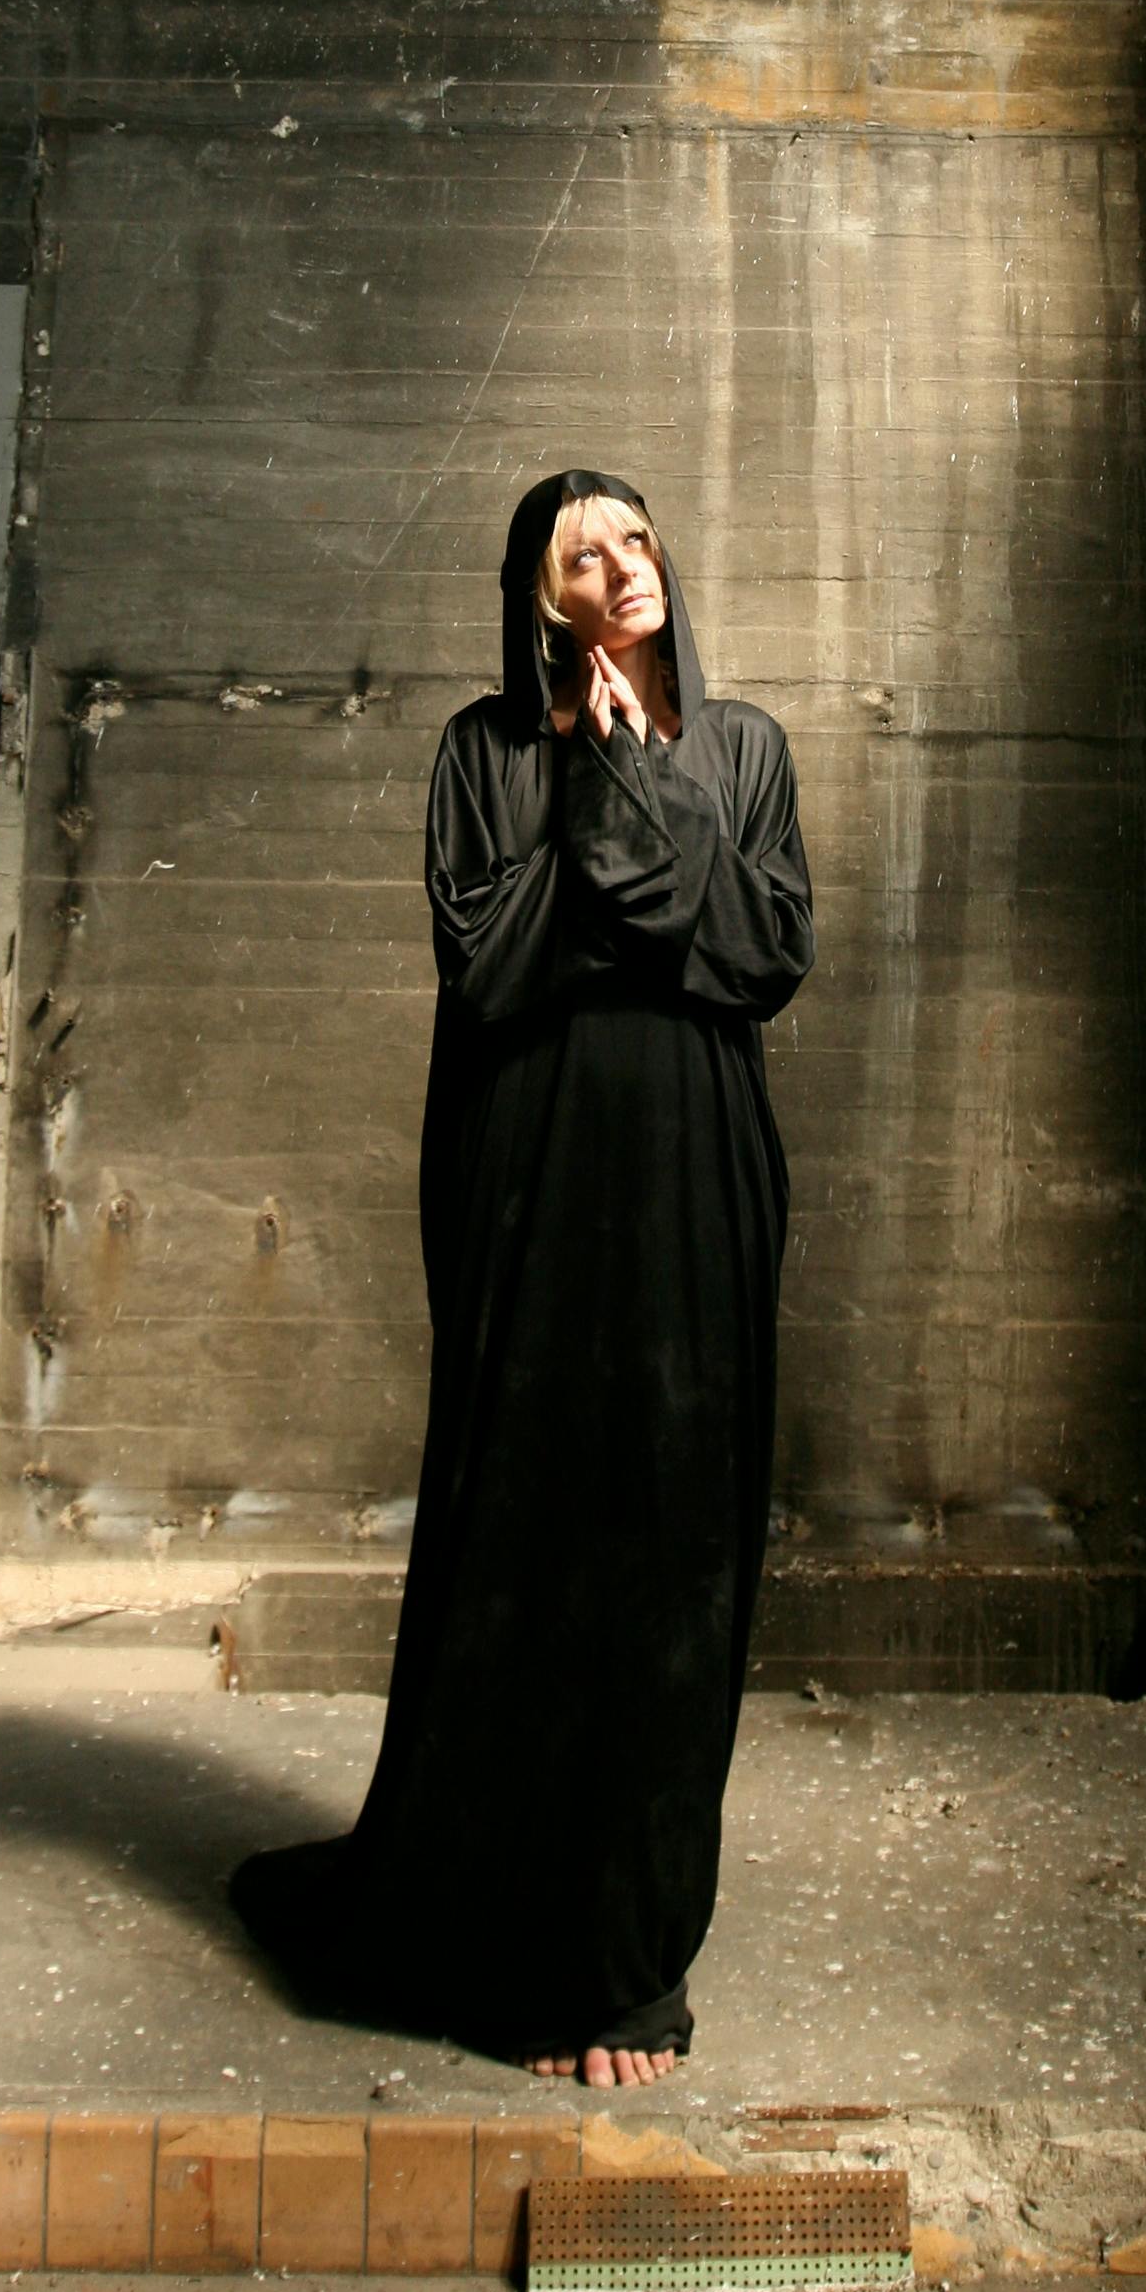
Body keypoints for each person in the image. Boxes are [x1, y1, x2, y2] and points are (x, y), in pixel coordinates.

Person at [230, 466, 813, 2084]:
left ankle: (628, 1969)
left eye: (636, 536)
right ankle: (516, 1949)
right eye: (582, 553)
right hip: (531, 1185)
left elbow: (763, 957)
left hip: (698, 1180)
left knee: (677, 1558)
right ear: (537, 598)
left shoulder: (745, 748)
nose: (621, 563)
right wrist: (601, 799)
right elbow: (488, 968)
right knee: (534, 1541)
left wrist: (647, 782)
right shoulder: (483, 756)